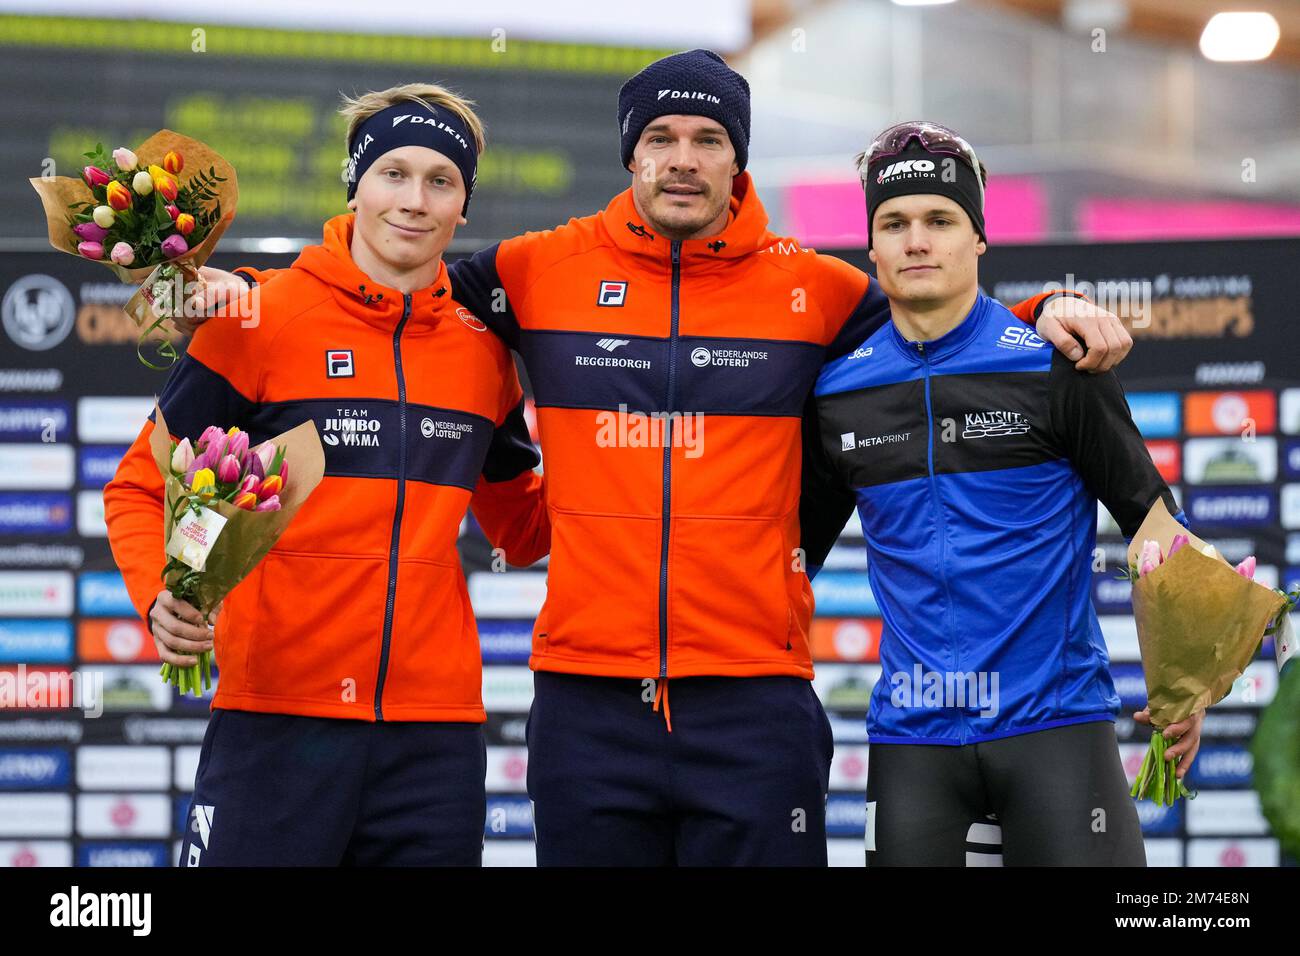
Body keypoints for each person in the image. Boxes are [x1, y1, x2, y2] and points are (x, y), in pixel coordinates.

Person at [188, 51, 1133, 866]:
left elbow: (940, 325)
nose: (683, 160)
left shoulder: (818, 288)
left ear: (738, 160)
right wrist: (251, 297)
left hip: (755, 700)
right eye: (661, 138)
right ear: (631, 154)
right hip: (586, 705)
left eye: (709, 140)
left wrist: (1039, 311)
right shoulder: (531, 269)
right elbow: (387, 294)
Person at [104, 83, 549, 866]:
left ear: (463, 208)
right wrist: (161, 594)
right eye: (393, 174)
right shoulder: (257, 318)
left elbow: (524, 526)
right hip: (276, 722)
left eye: (441, 181)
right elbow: (141, 488)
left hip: (433, 741)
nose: (413, 200)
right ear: (356, 184)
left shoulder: (485, 354)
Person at [804, 121, 1203, 866]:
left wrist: (1186, 678)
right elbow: (786, 560)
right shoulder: (837, 390)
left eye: (939, 220)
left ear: (979, 239)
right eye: (894, 223)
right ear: (872, 248)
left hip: (1055, 730)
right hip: (914, 741)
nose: (916, 241)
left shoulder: (1057, 366)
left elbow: (1152, 525)